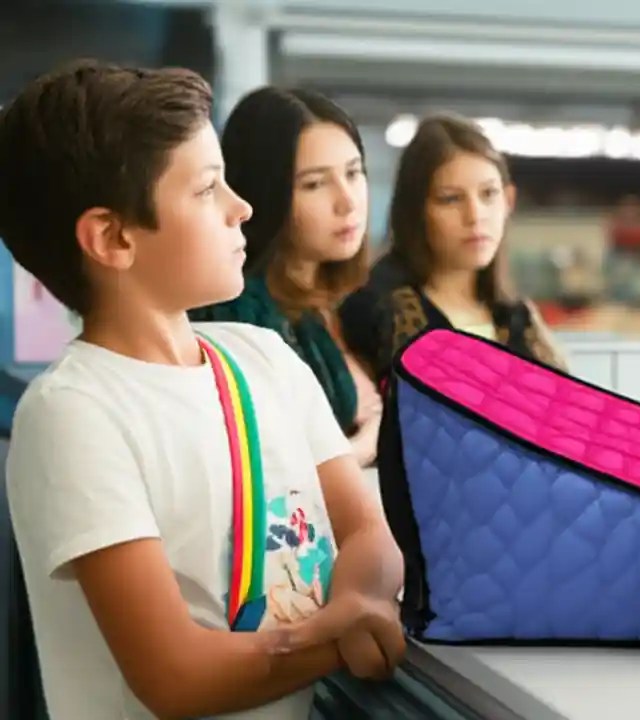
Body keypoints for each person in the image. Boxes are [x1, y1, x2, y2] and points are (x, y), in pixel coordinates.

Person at [0, 61, 405, 719]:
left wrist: (358, 605)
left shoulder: (264, 358)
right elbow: (176, 676)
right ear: (112, 237)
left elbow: (366, 529)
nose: (241, 208)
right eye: (207, 189)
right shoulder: (73, 415)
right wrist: (339, 640)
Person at [189, 87, 382, 467]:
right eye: (314, 183)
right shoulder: (235, 316)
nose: (348, 201)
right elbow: (270, 467)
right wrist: (366, 445)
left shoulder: (322, 306)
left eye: (353, 173)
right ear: (264, 193)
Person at [338, 113, 566, 385]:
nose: (475, 216)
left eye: (488, 194)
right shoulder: (375, 312)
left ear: (508, 200)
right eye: (451, 199)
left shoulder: (519, 319)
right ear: (416, 211)